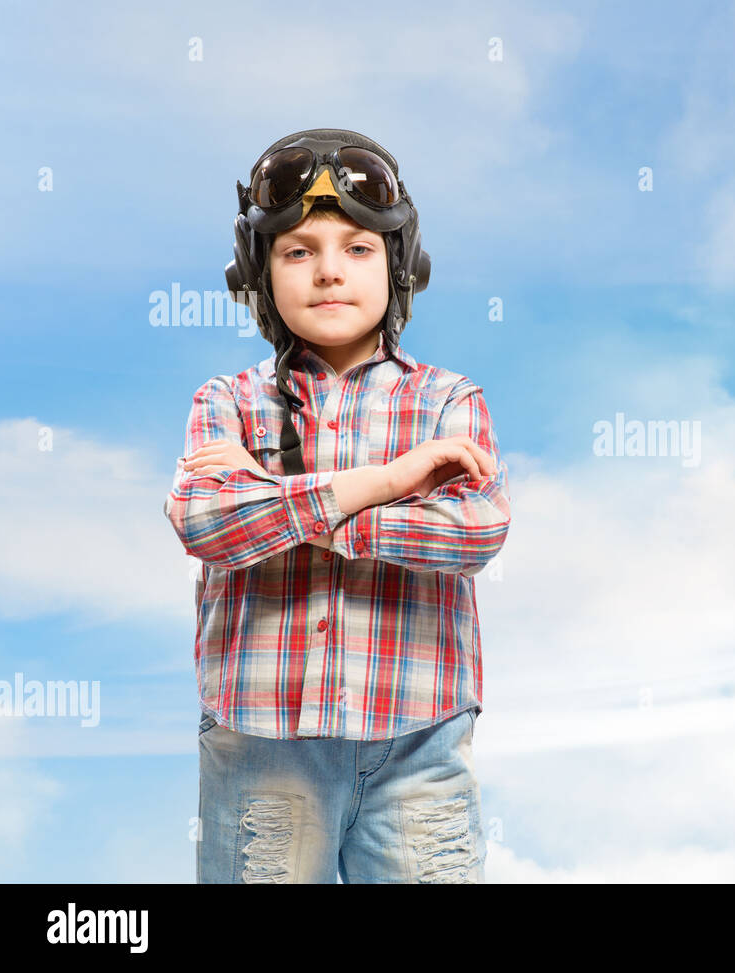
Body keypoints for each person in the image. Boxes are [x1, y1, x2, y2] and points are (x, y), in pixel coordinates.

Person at [162, 128, 510, 883]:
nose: (328, 272)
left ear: (399, 267)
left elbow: (475, 530)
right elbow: (205, 520)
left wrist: (279, 499)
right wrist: (385, 483)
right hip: (263, 751)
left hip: (420, 749)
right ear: (257, 272)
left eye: (357, 249)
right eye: (297, 251)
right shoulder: (226, 400)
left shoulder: (448, 399)